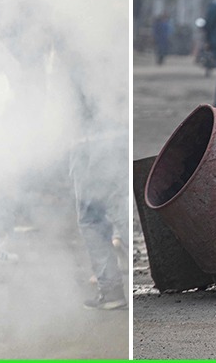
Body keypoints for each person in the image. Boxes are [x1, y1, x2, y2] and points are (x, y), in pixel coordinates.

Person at [70, 124, 128, 310]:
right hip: (119, 134)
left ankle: (111, 291)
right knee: (120, 206)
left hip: (87, 142)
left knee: (92, 218)